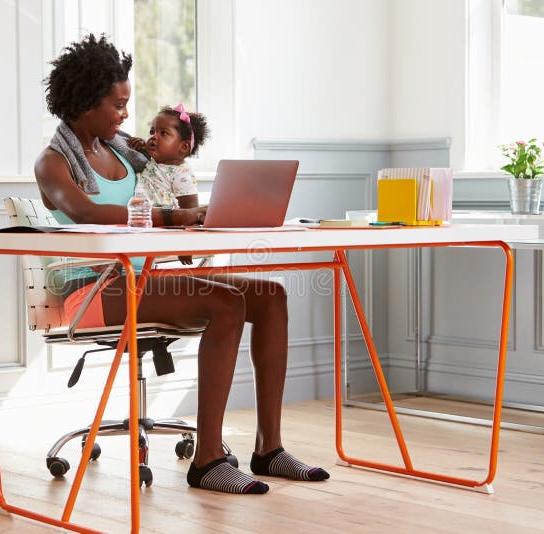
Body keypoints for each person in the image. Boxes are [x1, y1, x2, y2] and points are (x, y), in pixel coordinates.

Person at [34, 33, 329, 495]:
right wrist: (172, 217)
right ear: (87, 102)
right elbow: (87, 212)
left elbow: (170, 179)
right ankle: (208, 460)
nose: (125, 114)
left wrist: (205, 211)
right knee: (226, 303)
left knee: (270, 295)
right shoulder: (52, 162)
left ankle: (269, 449)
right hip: (91, 290)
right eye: (118, 104)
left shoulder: (125, 151)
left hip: (144, 277)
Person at [127, 104, 209, 210]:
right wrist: (141, 145)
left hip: (162, 219)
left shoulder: (181, 175)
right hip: (140, 214)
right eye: (152, 131)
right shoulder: (156, 159)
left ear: (183, 147)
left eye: (163, 133)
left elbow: (191, 211)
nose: (153, 136)